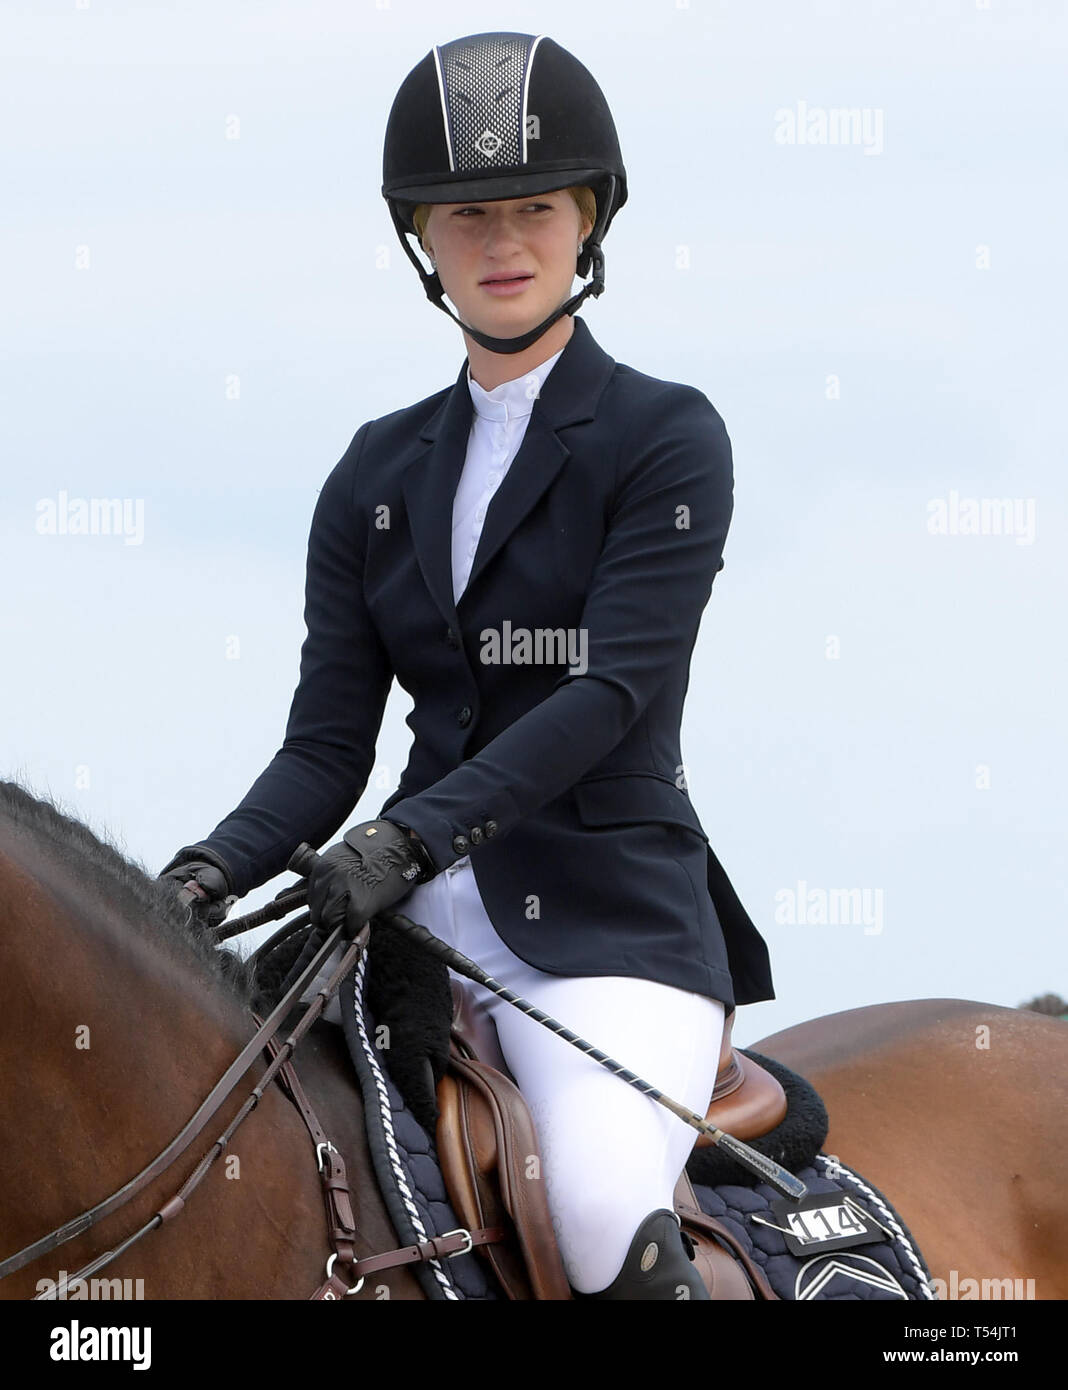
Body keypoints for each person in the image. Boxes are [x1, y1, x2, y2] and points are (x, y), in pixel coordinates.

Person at [159, 30, 775, 1300]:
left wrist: (412, 837)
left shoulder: (666, 437)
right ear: (423, 242)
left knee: (604, 1209)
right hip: (408, 929)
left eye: (534, 208)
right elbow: (329, 746)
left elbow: (608, 694)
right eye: (465, 214)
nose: (502, 241)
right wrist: (205, 872)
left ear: (589, 219)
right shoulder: (376, 470)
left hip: (611, 930)